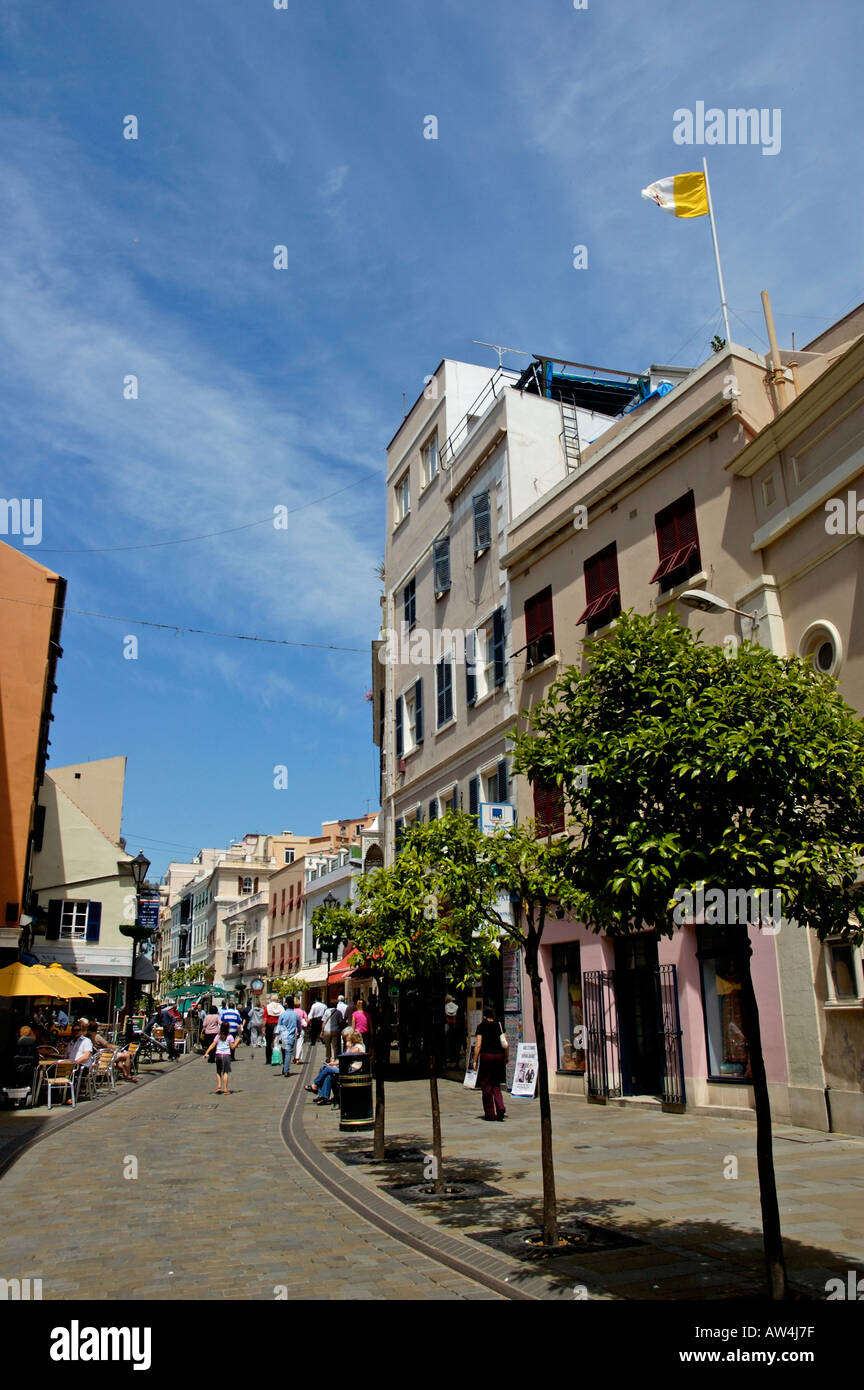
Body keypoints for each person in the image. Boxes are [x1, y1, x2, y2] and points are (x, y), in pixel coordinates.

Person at [304, 1029, 365, 1104]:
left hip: (351, 1070)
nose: (347, 1040)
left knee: (326, 1069)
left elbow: (345, 1057)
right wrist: (333, 1063)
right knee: (328, 1073)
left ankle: (316, 1085)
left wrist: (348, 1047)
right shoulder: (357, 1046)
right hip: (348, 1069)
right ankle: (324, 1096)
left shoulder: (357, 1047)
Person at [472, 1006, 509, 1122]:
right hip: (498, 1056)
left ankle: (490, 1113)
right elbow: (505, 1043)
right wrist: (506, 1056)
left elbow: (478, 1045)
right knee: (496, 1083)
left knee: (486, 1085)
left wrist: (474, 1060)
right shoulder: (499, 1026)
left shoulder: (481, 1027)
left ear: (484, 1016)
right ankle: (500, 1107)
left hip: (486, 1057)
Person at [205, 1023, 237, 1094]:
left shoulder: (218, 1036)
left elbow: (213, 1045)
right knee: (225, 1072)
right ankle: (225, 1088)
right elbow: (232, 1047)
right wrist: (237, 1042)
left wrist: (207, 1052)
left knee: (218, 1071)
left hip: (218, 1055)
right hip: (226, 1055)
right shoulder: (230, 1037)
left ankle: (219, 1085)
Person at [276, 999, 299, 1077]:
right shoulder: (295, 1015)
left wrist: (276, 1035)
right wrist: (298, 1032)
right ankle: (286, 1070)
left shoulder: (282, 1015)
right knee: (288, 1053)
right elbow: (299, 1026)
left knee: (284, 1052)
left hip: (282, 1037)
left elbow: (278, 1026)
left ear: (287, 1005)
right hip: (290, 1037)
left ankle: (284, 1068)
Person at [263, 996, 283, 1064]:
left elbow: (265, 1018)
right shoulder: (281, 1007)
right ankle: (279, 1057)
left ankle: (268, 1060)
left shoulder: (267, 1007)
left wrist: (263, 1028)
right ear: (277, 1000)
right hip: (278, 1025)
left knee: (268, 1043)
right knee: (279, 1042)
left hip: (269, 1025)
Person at [293, 1000, 308, 1064]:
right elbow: (307, 1019)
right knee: (299, 1044)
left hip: (293, 1029)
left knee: (294, 1044)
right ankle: (297, 1058)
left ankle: (294, 1057)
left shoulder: (292, 1011)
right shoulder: (302, 1011)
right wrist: (305, 1024)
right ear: (300, 1005)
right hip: (300, 1029)